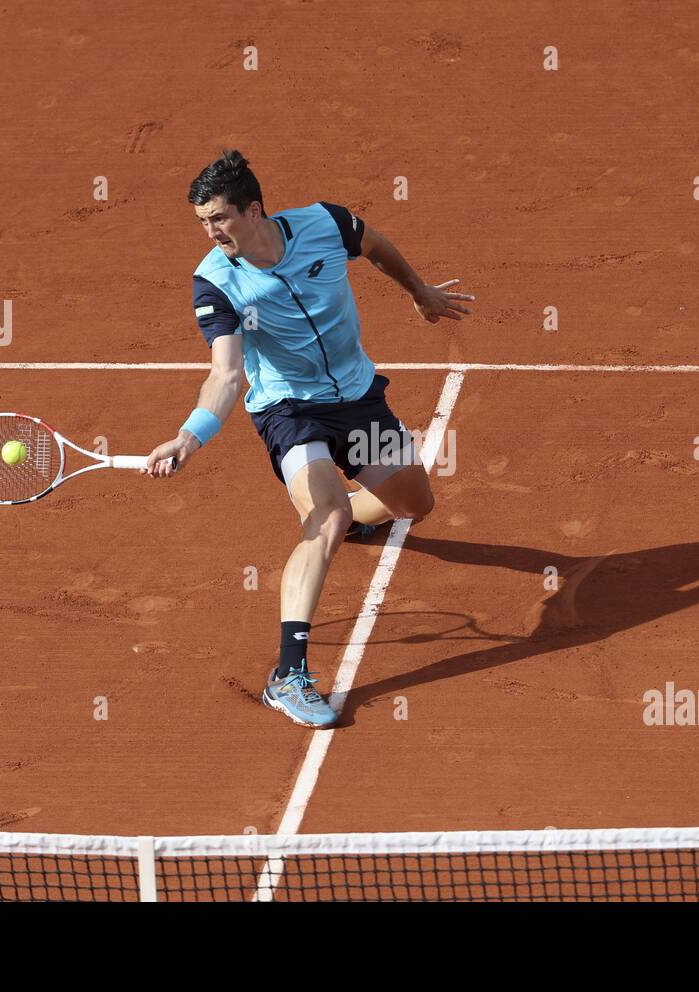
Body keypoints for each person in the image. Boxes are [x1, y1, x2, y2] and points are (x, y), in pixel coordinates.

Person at [143, 150, 475, 728]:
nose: (211, 231)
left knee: (415, 504)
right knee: (324, 515)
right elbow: (226, 374)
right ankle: (287, 675)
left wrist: (418, 289)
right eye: (202, 221)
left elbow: (373, 245)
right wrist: (187, 438)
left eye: (220, 217)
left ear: (254, 209)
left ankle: (356, 518)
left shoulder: (324, 223)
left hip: (357, 397)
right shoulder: (216, 283)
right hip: (289, 409)